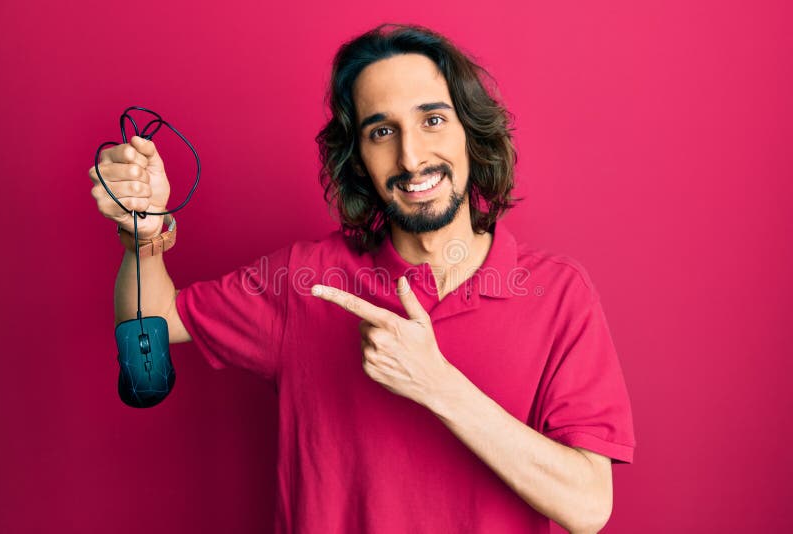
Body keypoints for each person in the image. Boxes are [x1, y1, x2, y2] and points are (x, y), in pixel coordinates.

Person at [89, 23, 635, 534]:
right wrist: (144, 231)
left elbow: (588, 507)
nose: (411, 157)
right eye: (382, 131)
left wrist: (438, 385)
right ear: (358, 159)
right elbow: (153, 319)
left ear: (472, 132)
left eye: (433, 120)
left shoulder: (558, 293)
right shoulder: (304, 281)